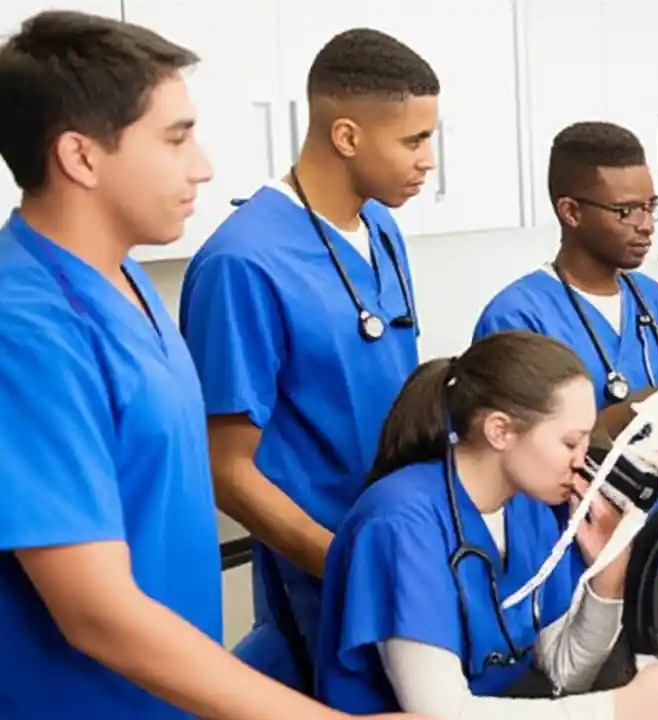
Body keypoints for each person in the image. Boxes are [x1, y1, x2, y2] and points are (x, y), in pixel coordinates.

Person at [0, 10, 425, 719]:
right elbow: (96, 614)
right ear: (81, 157)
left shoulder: (125, 282)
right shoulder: (27, 332)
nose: (202, 165)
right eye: (175, 138)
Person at [179, 27, 437, 689]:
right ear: (346, 136)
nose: (429, 160)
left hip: (402, 556)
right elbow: (226, 470)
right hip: (320, 583)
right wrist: (345, 566)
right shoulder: (243, 263)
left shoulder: (381, 227)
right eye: (413, 140)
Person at [316, 330, 658, 719]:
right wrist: (621, 707)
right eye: (570, 442)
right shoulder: (399, 526)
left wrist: (607, 580)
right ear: (500, 431)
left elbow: (564, 673)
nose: (582, 462)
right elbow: (439, 714)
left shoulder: (527, 506)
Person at [472, 121, 658, 588]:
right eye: (625, 211)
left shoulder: (653, 300)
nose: (645, 224)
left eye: (650, 206)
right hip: (564, 555)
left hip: (654, 542)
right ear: (571, 211)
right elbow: (553, 448)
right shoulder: (518, 316)